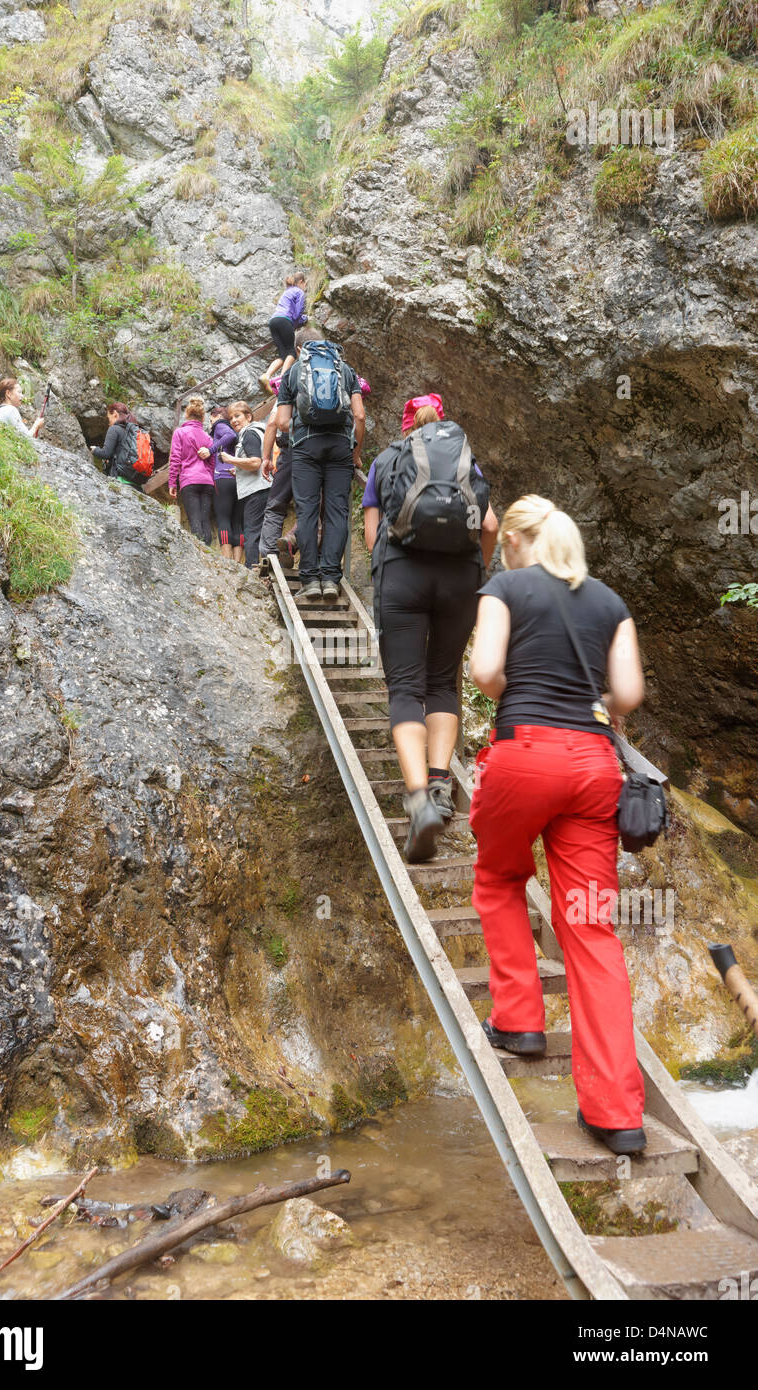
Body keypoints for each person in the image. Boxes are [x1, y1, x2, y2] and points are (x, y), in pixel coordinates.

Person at [469, 494, 646, 1154]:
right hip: (595, 769)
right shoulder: (610, 602)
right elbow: (625, 695)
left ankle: (519, 1021)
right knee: (592, 929)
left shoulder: (505, 587)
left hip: (526, 754)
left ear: (517, 540)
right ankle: (615, 1115)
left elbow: (485, 670)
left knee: (499, 877)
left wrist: (519, 689)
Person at [363, 396, 498, 863]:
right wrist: (478, 568)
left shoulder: (386, 461)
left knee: (405, 685)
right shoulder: (465, 464)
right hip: (460, 577)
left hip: (401, 576)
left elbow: (372, 530)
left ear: (406, 427)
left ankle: (418, 797)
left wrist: (383, 575)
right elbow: (491, 524)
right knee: (442, 680)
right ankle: (441, 784)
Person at [275, 338, 365, 603]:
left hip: (306, 447)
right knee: (337, 511)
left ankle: (310, 579)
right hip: (340, 447)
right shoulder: (345, 370)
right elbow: (359, 416)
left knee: (308, 511)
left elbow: (281, 421)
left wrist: (299, 431)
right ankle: (330, 579)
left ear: (300, 349)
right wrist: (355, 455)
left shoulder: (293, 372)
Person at [224, 402, 271, 568]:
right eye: (231, 418)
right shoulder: (259, 431)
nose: (234, 420)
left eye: (237, 416)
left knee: (251, 529)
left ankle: (251, 567)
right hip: (264, 486)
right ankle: (264, 564)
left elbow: (255, 462)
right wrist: (238, 469)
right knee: (262, 529)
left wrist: (231, 459)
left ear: (248, 416)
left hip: (257, 490)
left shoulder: (249, 434)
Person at [168, 397, 215, 543]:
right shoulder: (208, 437)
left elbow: (175, 459)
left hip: (189, 481)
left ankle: (200, 559)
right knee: (205, 521)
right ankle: (210, 556)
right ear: (203, 417)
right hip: (207, 482)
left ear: (187, 414)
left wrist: (172, 483)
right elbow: (212, 461)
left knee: (195, 521)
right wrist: (210, 478)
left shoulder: (180, 432)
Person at [258, 400, 296, 573]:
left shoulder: (288, 385)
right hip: (318, 452)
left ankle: (269, 557)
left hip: (290, 450)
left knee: (275, 507)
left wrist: (266, 458)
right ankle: (310, 557)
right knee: (312, 510)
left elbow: (273, 422)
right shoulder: (340, 379)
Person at [259, 271, 308, 393]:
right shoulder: (299, 291)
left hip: (273, 321)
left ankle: (266, 375)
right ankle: (282, 379)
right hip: (285, 320)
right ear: (301, 282)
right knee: (293, 351)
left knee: (283, 355)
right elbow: (297, 314)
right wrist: (305, 319)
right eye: (305, 284)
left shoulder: (287, 292)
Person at [208, 406, 242, 562]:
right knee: (237, 521)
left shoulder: (220, 426)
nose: (210, 424)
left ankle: (228, 564)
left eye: (210, 420)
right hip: (238, 477)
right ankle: (238, 564)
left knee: (223, 519)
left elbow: (229, 435)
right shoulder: (239, 430)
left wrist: (211, 449)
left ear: (218, 415)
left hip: (222, 477)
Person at [91, 403, 143, 490]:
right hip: (136, 481)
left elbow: (105, 453)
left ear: (115, 414)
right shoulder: (135, 432)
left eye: (109, 418)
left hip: (120, 481)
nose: (109, 423)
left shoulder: (114, 429)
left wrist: (95, 450)